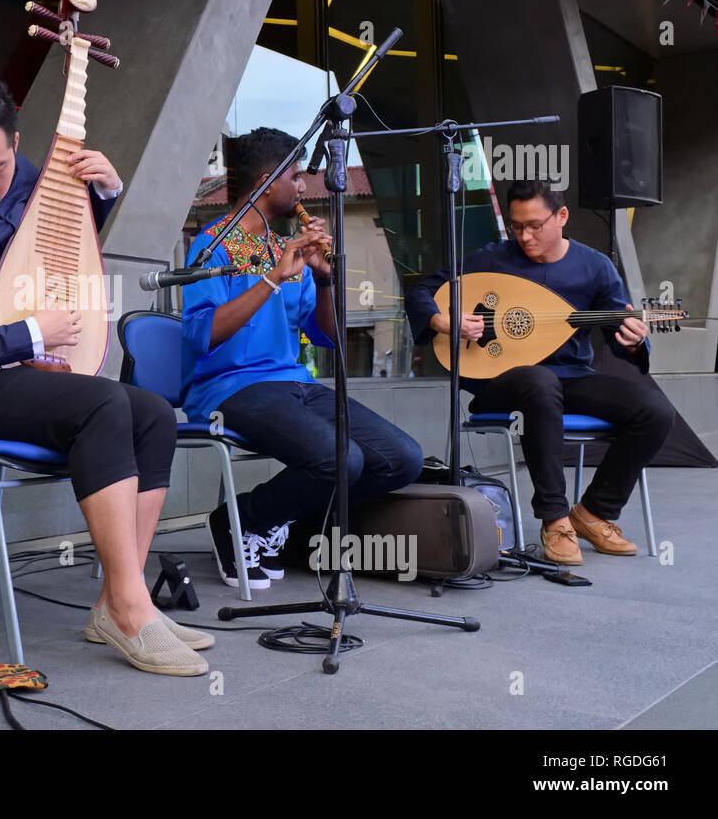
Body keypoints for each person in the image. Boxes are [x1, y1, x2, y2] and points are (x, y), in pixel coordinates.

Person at [0, 77, 210, 677]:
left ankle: (120, 598)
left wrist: (107, 192)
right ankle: (132, 610)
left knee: (155, 414)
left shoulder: (36, 181)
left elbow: (64, 243)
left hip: (19, 374)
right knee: (102, 405)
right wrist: (31, 334)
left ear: (15, 140)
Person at [182, 127, 424, 588]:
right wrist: (272, 277)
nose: (302, 189)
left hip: (294, 384)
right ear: (267, 182)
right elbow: (201, 334)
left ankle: (276, 523)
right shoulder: (212, 245)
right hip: (230, 387)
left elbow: (328, 338)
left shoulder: (284, 248)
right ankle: (237, 521)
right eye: (294, 177)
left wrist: (326, 278)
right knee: (341, 459)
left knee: (401, 458)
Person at [405, 179, 675, 564]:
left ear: (561, 216)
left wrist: (633, 341)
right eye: (516, 226)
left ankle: (593, 513)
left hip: (572, 376)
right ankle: (555, 519)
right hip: (501, 381)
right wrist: (442, 321)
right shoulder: (493, 259)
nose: (525, 236)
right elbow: (422, 290)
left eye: (534, 225)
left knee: (655, 411)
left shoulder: (594, 266)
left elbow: (620, 330)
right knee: (538, 380)